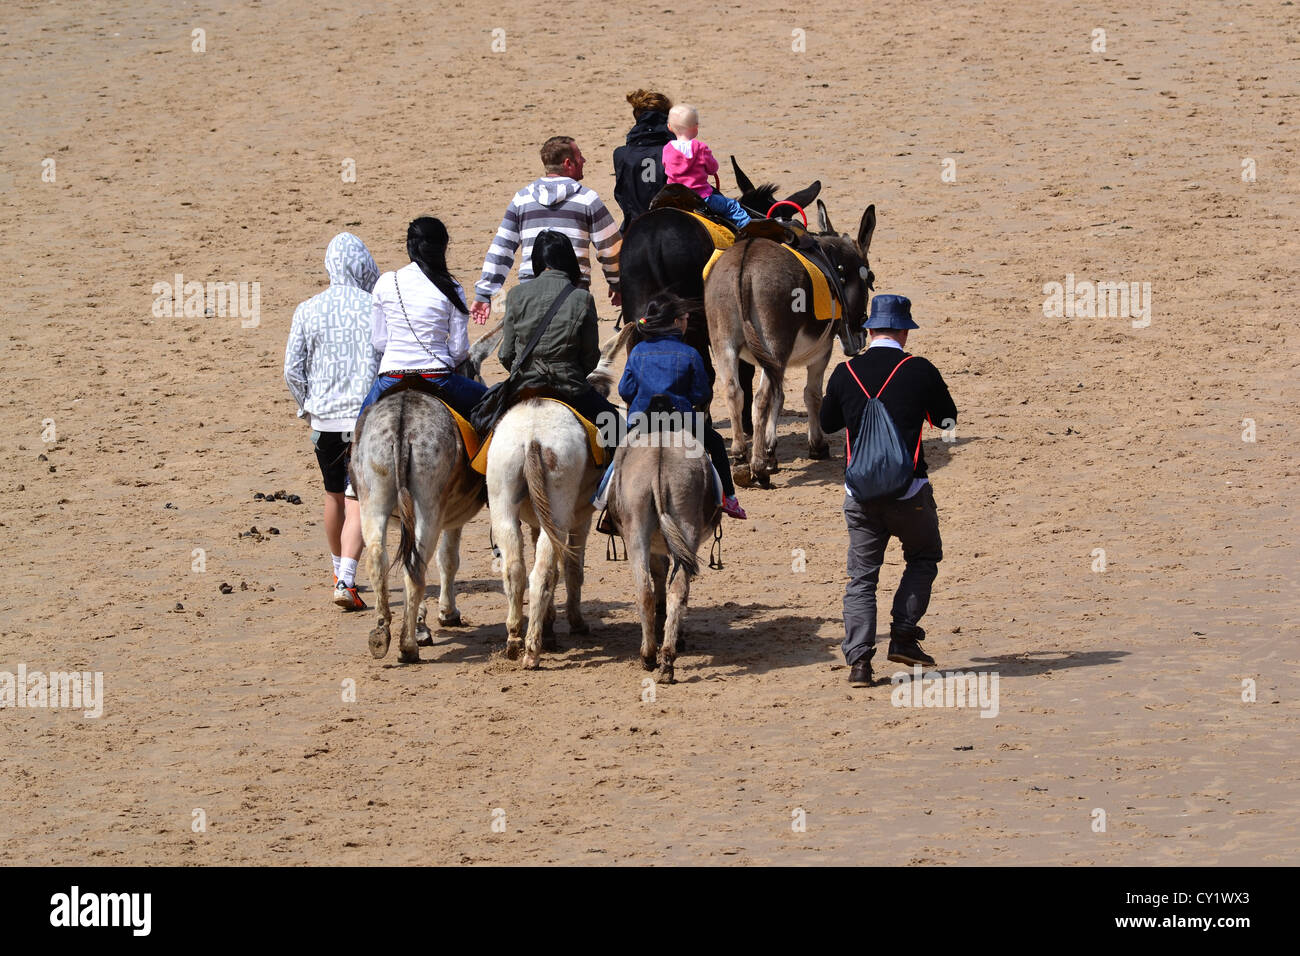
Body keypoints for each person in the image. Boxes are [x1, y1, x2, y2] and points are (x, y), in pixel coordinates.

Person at [819, 294, 958, 688]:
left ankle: (860, 664)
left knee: (861, 579)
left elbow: (828, 423)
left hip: (859, 495)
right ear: (903, 332)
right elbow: (947, 420)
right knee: (924, 555)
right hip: (909, 492)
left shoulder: (846, 373)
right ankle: (903, 634)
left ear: (869, 329)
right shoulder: (919, 370)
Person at [284, 232, 381, 611]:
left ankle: (338, 570)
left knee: (333, 495)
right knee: (358, 499)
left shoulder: (308, 309)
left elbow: (292, 369)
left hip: (324, 421)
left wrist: (306, 406)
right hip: (363, 418)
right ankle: (347, 580)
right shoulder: (374, 305)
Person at [599, 291, 746, 519]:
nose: (687, 322)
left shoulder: (637, 352)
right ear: (676, 322)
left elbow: (625, 391)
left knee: (618, 453)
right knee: (716, 444)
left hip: (642, 424)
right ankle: (729, 498)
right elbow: (700, 394)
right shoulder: (690, 353)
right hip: (681, 422)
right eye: (686, 318)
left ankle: (606, 499)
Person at [471, 136, 622, 325]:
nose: (584, 161)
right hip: (573, 292)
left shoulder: (522, 199)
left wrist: (485, 292)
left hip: (529, 293)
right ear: (568, 163)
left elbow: (502, 249)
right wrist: (617, 283)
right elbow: (611, 249)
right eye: (580, 156)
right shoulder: (587, 200)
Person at [357, 217, 487, 425]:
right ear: (442, 248)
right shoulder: (451, 288)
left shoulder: (386, 281)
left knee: (359, 430)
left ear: (410, 247)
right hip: (437, 377)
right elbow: (459, 350)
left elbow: (379, 341)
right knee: (489, 401)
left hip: (392, 376)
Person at [498, 230, 623, 435]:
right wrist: (573, 375)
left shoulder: (515, 295)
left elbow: (505, 354)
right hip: (570, 386)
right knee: (618, 430)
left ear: (537, 261)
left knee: (483, 428)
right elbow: (590, 355)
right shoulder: (582, 298)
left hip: (523, 385)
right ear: (569, 262)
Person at [662, 104, 751, 230]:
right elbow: (713, 168)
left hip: (676, 197)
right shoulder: (700, 148)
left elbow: (666, 167)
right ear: (696, 127)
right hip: (702, 198)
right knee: (732, 206)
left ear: (670, 127)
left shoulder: (667, 149)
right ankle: (749, 228)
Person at [612, 89, 674, 232]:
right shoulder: (675, 151)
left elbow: (623, 196)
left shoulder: (620, 154)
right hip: (669, 222)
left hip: (634, 225)